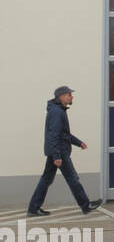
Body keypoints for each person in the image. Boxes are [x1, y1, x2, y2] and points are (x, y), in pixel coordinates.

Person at [28, 86, 102, 216]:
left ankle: (33, 208)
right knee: (72, 178)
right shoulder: (57, 112)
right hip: (59, 152)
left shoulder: (58, 110)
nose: (72, 97)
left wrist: (79, 143)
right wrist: (57, 156)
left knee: (46, 179)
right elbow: (54, 135)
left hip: (56, 151)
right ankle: (86, 205)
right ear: (61, 97)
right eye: (69, 94)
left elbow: (64, 134)